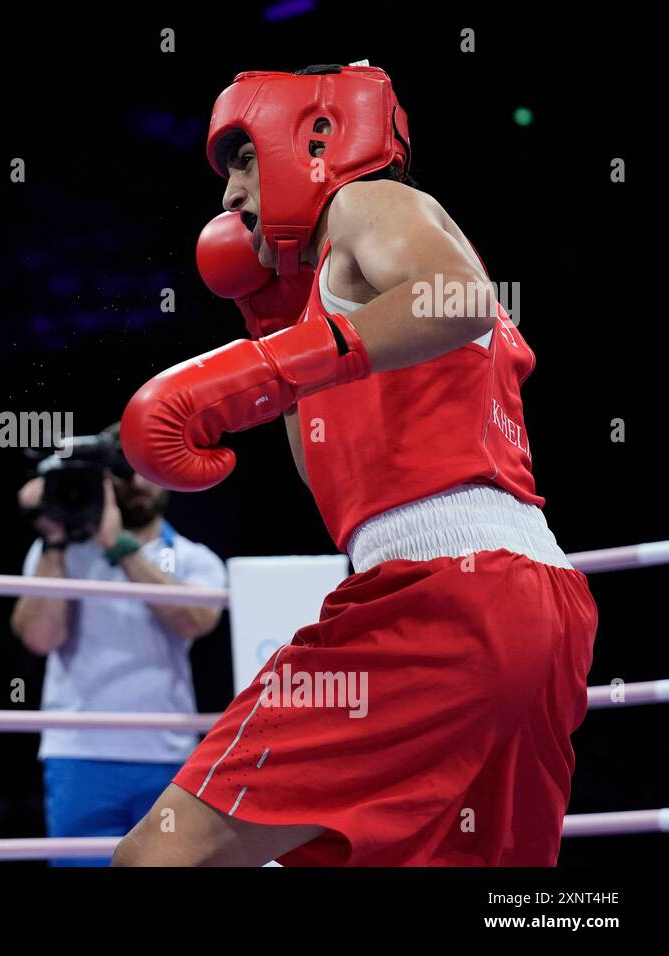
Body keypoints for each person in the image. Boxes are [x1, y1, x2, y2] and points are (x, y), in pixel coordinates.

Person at [115, 64, 598, 866]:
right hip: (529, 602)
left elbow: (459, 297)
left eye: (244, 160)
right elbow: (340, 486)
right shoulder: (345, 299)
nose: (230, 194)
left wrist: (266, 364)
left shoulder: (367, 201)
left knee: (158, 858)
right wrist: (277, 330)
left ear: (316, 140)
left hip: (442, 595)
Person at [11, 426, 225, 864]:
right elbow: (39, 637)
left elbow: (193, 621)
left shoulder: (193, 558)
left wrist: (118, 546)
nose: (140, 482)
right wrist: (55, 539)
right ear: (106, 479)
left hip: (166, 753)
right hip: (78, 752)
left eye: (151, 470)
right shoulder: (58, 553)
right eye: (128, 470)